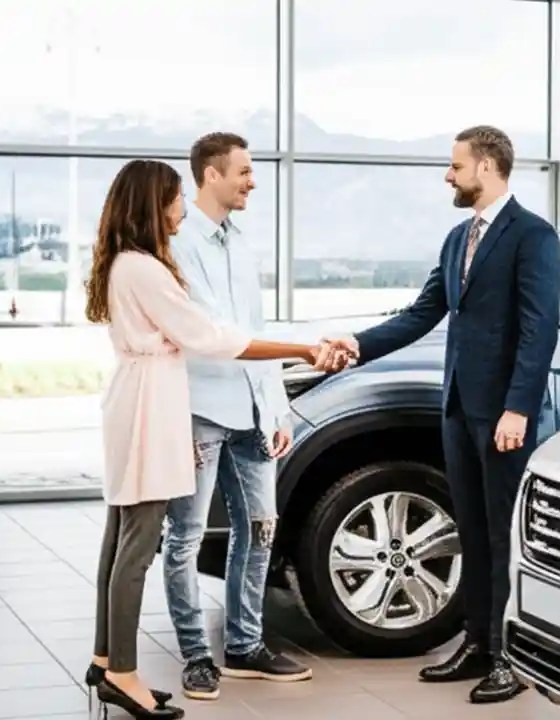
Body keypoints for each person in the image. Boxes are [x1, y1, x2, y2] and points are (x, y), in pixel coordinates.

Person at [83, 159, 343, 719]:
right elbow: (213, 337)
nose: (181, 209)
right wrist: (300, 350)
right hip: (151, 407)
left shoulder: (125, 264)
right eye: (175, 199)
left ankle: (105, 658)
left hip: (133, 398)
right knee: (140, 542)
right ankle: (123, 676)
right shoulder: (148, 270)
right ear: (155, 205)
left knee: (119, 534)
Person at [318, 125, 560, 705]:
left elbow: (538, 329)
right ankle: (477, 644)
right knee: (471, 532)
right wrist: (355, 344)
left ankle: (510, 657)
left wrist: (518, 408)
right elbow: (421, 313)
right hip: (457, 407)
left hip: (504, 415)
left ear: (486, 166)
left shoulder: (533, 236)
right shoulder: (458, 239)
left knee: (505, 536)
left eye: (455, 166)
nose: (447, 176)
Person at [161, 132, 312, 702]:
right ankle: (197, 656)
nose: (252, 181)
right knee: (186, 537)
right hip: (200, 408)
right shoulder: (177, 244)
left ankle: (245, 646)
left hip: (252, 409)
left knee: (261, 530)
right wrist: (301, 350)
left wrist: (277, 406)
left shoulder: (241, 242)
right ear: (211, 175)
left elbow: (253, 324)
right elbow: (215, 335)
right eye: (244, 172)